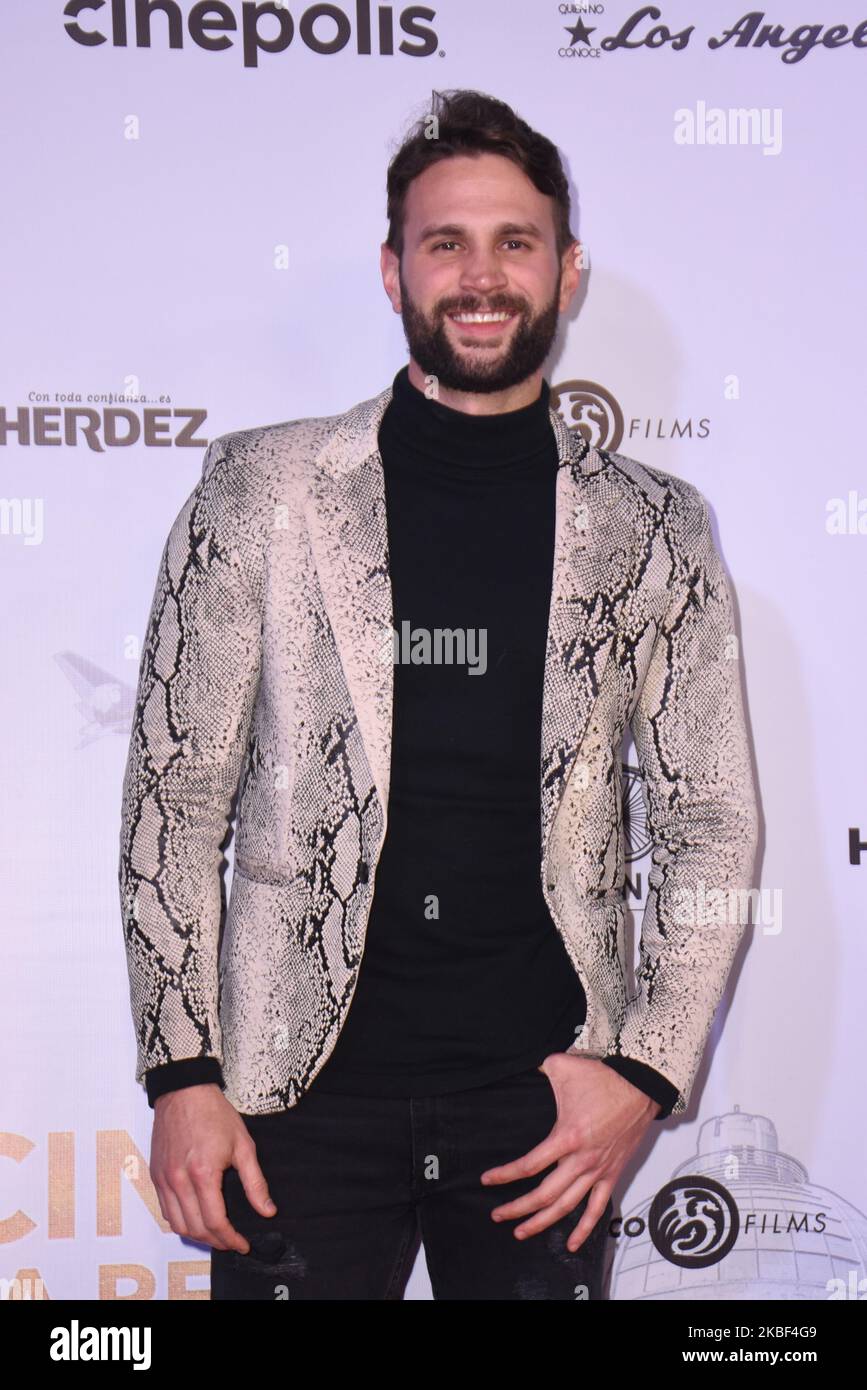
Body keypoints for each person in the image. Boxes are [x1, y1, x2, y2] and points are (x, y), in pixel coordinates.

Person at [118, 89, 759, 1300]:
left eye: (515, 242)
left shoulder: (656, 526)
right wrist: (182, 1075)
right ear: (392, 267)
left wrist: (645, 1075)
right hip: (290, 1106)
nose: (481, 274)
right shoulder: (263, 489)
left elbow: (710, 820)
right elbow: (174, 797)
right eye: (446, 241)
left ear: (567, 272)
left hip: (542, 1108)